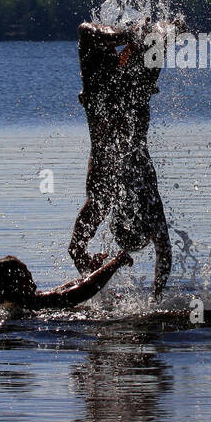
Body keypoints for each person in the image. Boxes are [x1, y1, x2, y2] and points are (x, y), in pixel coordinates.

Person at [67, 15, 177, 298]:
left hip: (120, 96)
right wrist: (155, 299)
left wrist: (157, 295)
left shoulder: (112, 195)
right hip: (111, 96)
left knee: (163, 33)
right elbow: (75, 249)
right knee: (87, 34)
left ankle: (139, 31)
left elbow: (164, 252)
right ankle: (133, 33)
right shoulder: (120, 194)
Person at [0, 253, 132, 311]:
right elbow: (82, 291)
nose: (30, 274)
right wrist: (115, 262)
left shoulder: (15, 304)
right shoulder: (35, 304)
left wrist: (93, 272)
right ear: (19, 281)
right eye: (25, 272)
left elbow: (64, 289)